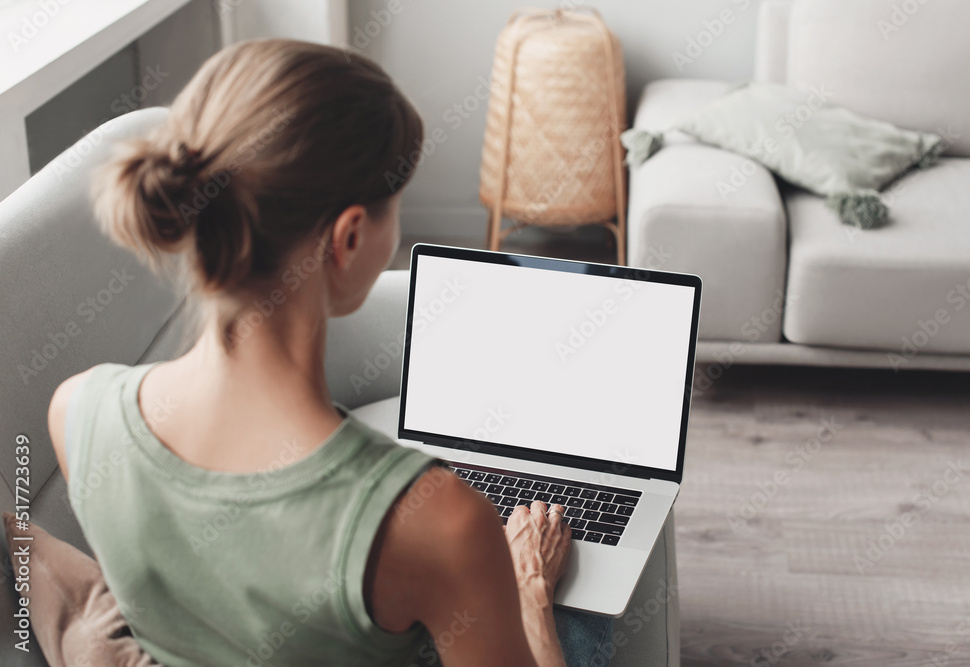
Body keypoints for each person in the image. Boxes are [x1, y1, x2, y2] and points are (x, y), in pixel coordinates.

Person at [46, 39, 612, 666]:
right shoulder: (440, 521)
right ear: (347, 237)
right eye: (396, 210)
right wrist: (529, 590)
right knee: (585, 622)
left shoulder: (76, 411)